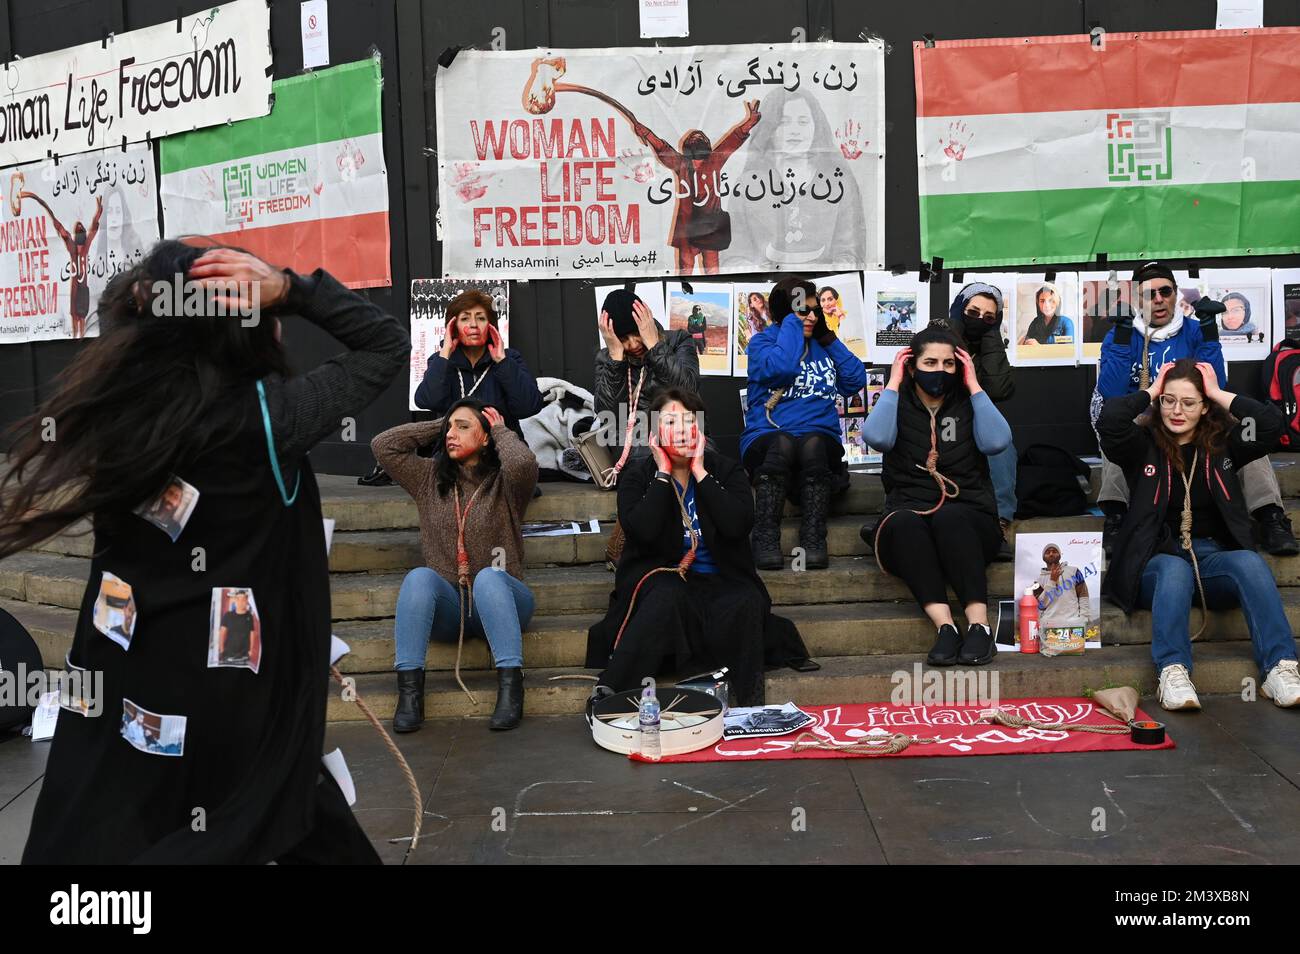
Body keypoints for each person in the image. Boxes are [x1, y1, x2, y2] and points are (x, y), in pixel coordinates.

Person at [1, 240, 408, 863]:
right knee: (250, 819)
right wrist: (293, 289)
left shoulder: (116, 418)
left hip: (132, 695)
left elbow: (120, 312)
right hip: (234, 713)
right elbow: (386, 345)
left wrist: (157, 298)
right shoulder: (275, 418)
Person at [585, 389, 813, 706]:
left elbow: (737, 525)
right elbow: (644, 532)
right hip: (663, 583)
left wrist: (699, 472)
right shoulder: (638, 476)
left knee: (745, 600)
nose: (680, 429)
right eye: (670, 421)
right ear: (654, 433)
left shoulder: (726, 470)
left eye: (688, 420)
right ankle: (610, 690)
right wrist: (664, 473)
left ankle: (748, 705)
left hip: (720, 581)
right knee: (669, 593)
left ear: (700, 429)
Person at [1097, 358, 1300, 711]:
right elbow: (1110, 420)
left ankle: (1280, 668)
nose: (1177, 411)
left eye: (1189, 402)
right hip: (1153, 561)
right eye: (1169, 401)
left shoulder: (1224, 446)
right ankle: (1173, 671)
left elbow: (1270, 424)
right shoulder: (1140, 444)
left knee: (1250, 563)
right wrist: (1151, 390)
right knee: (1174, 570)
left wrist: (1220, 393)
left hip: (1209, 560)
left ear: (1205, 407)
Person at [1093, 261, 1296, 557]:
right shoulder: (1121, 334)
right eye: (1150, 294)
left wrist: (1210, 335)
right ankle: (1115, 517)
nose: (1159, 299)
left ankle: (1269, 516)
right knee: (1115, 422)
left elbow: (1216, 385)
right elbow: (1110, 391)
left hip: (1191, 417)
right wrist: (1124, 340)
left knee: (1246, 429)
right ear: (1138, 299)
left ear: (1175, 295)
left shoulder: (1194, 328)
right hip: (1146, 420)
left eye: (1165, 291)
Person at [373, 399, 539, 733]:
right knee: (419, 577)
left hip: (504, 602)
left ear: (486, 436)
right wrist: (442, 422)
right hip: (454, 608)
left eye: (463, 428)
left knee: (490, 577)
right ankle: (409, 696)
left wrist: (501, 430)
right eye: (450, 428)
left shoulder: (504, 483)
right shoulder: (427, 478)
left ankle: (510, 691)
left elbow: (523, 463)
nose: (452, 434)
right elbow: (384, 446)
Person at [860, 324, 1012, 667]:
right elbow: (877, 438)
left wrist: (973, 382)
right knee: (903, 524)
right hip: (910, 513)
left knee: (950, 516)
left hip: (969, 519)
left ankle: (979, 626)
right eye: (929, 363)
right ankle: (946, 628)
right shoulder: (897, 400)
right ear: (912, 366)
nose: (939, 371)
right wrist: (894, 382)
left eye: (948, 363)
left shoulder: (970, 400)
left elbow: (996, 442)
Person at [741, 276, 867, 570]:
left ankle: (813, 538)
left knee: (811, 442)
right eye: (804, 311)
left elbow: (855, 381)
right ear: (786, 313)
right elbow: (782, 369)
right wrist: (792, 327)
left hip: (817, 445)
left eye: (815, 311)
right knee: (785, 442)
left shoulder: (823, 344)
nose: (812, 316)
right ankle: (765, 536)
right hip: (769, 438)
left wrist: (828, 338)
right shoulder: (763, 343)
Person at [727, 87, 867, 271]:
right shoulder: (747, 185)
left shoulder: (838, 183)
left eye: (803, 122)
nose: (794, 131)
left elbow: (852, 252)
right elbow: (733, 256)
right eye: (783, 122)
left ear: (816, 127)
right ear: (770, 129)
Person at [630, 100, 761, 274]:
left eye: (700, 138)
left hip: (711, 223)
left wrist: (749, 123)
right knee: (686, 267)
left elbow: (734, 139)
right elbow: (662, 147)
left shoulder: (714, 160)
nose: (696, 137)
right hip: (688, 225)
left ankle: (713, 293)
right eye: (694, 138)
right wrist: (646, 132)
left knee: (712, 266)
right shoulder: (681, 164)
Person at [936, 282, 1017, 560]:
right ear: (959, 310)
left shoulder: (989, 346)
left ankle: (999, 525)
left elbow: (999, 390)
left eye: (989, 317)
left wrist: (992, 336)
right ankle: (894, 516)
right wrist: (954, 331)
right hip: (935, 421)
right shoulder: (933, 338)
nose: (980, 320)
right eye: (973, 312)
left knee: (1002, 445)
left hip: (973, 425)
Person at [414, 289, 544, 443]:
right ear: (453, 327)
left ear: (491, 326)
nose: (474, 325)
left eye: (481, 318)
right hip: (454, 451)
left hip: (502, 450)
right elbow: (428, 401)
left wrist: (502, 362)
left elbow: (529, 407)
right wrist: (445, 354)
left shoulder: (509, 359)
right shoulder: (441, 361)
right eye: (465, 318)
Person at [1034, 543, 1089, 625]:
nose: (1051, 554)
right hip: (1049, 625)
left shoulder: (1074, 571)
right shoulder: (1038, 581)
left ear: (1059, 554)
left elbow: (1083, 595)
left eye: (1054, 551)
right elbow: (1042, 605)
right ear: (1043, 557)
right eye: (1048, 552)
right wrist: (1052, 581)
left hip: (1073, 622)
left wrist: (1084, 618)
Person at [219, 589, 256, 664]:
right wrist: (222, 650)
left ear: (246, 601)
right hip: (228, 654)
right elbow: (222, 633)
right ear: (235, 601)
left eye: (243, 599)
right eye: (238, 599)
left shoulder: (249, 616)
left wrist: (251, 650)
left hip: (244, 655)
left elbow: (252, 633)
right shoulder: (228, 615)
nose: (240, 602)